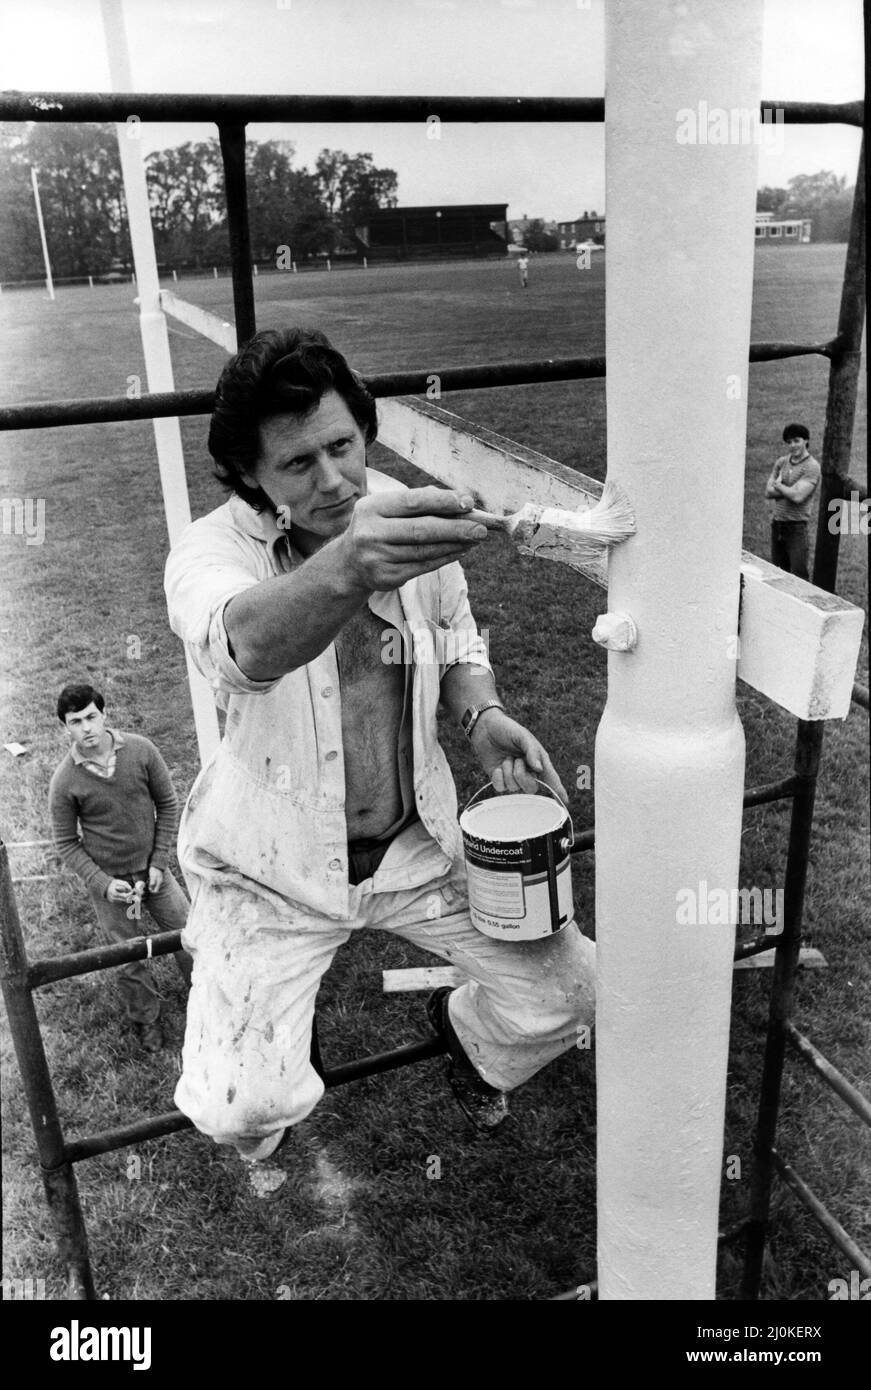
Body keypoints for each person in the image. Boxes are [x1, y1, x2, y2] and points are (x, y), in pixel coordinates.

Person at [163, 326, 595, 1196]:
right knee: (241, 1108)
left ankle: (467, 1043)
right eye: (296, 465)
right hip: (269, 869)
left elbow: (457, 629)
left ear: (363, 432)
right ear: (252, 476)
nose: (331, 481)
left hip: (416, 844)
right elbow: (235, 644)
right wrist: (348, 567)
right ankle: (263, 1098)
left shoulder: (398, 506)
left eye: (342, 446)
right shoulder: (211, 552)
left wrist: (479, 713)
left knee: (569, 997)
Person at [48, 683, 193, 1052]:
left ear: (104, 714)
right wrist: (102, 883)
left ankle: (207, 1002)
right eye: (76, 721)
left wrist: (159, 863)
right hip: (114, 887)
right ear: (66, 727)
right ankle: (147, 1020)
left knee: (191, 938)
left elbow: (169, 805)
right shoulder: (65, 781)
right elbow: (66, 843)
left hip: (155, 876)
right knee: (128, 956)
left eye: (91, 717)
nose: (86, 728)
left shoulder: (142, 750)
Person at [765, 423, 821, 580]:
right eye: (789, 442)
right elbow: (768, 492)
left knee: (799, 576)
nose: (792, 445)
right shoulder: (782, 462)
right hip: (777, 525)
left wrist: (779, 485)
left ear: (806, 441)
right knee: (777, 575)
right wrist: (789, 489)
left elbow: (798, 497)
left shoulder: (812, 466)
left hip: (796, 527)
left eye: (796, 441)